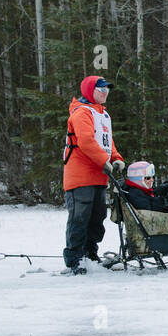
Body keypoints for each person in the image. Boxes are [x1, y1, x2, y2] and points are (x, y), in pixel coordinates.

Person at [62, 75, 124, 273]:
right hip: (80, 176)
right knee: (79, 218)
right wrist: (103, 161)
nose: (105, 92)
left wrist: (116, 158)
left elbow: (107, 142)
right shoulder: (82, 112)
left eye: (107, 89)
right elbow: (86, 141)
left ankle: (90, 254)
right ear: (90, 91)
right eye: (100, 89)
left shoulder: (103, 115)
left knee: (97, 218)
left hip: (99, 176)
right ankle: (75, 259)